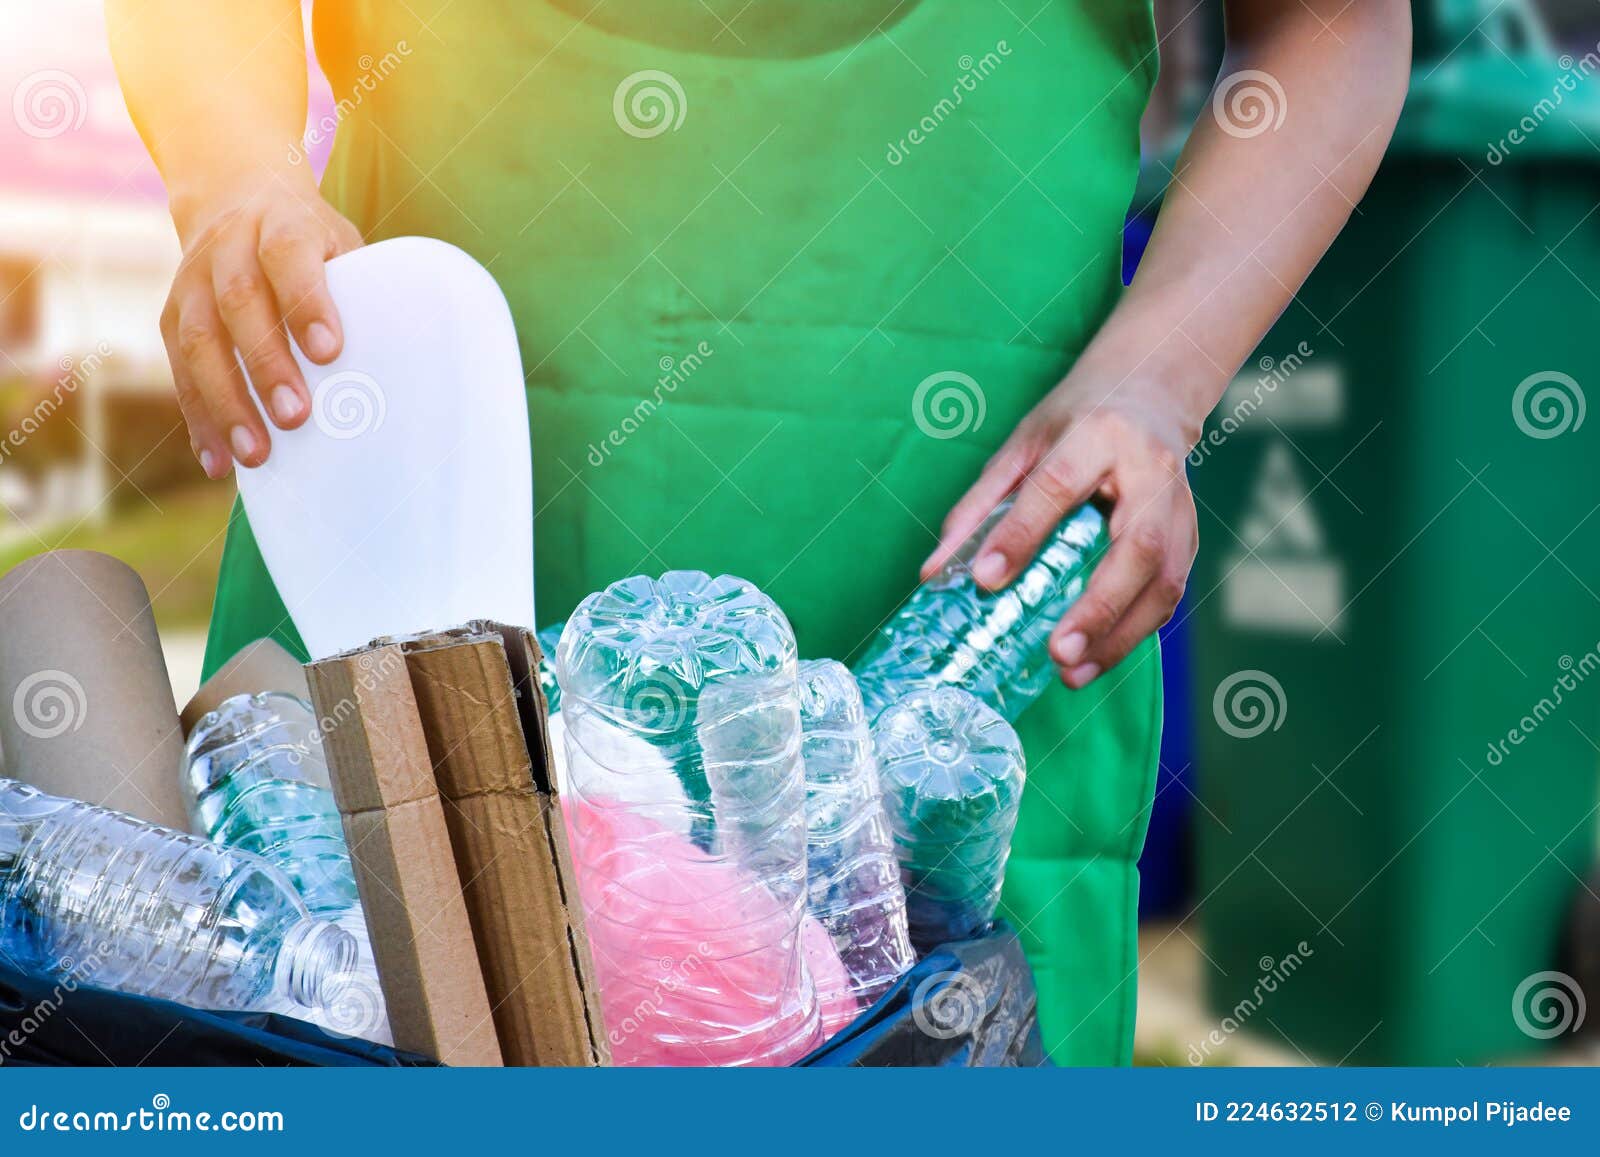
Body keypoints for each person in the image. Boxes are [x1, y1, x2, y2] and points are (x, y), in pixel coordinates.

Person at [110, 0, 1410, 1061]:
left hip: (969, 611)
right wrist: (234, 184)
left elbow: (1335, 20)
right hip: (393, 585)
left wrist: (1156, 381)